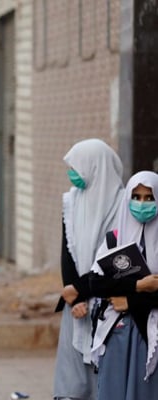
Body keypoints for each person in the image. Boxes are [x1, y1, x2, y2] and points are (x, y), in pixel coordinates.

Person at [52, 139, 124, 400]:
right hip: (78, 303)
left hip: (111, 300)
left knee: (105, 372)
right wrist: (76, 297)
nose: (72, 174)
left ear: (95, 167)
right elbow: (67, 254)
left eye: (76, 167)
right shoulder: (71, 203)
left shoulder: (123, 205)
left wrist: (82, 289)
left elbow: (119, 260)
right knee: (72, 379)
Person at [89, 170, 158, 400]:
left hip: (150, 334)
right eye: (136, 197)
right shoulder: (114, 240)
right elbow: (96, 283)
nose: (142, 203)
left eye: (149, 198)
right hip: (117, 332)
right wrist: (138, 286)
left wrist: (129, 299)